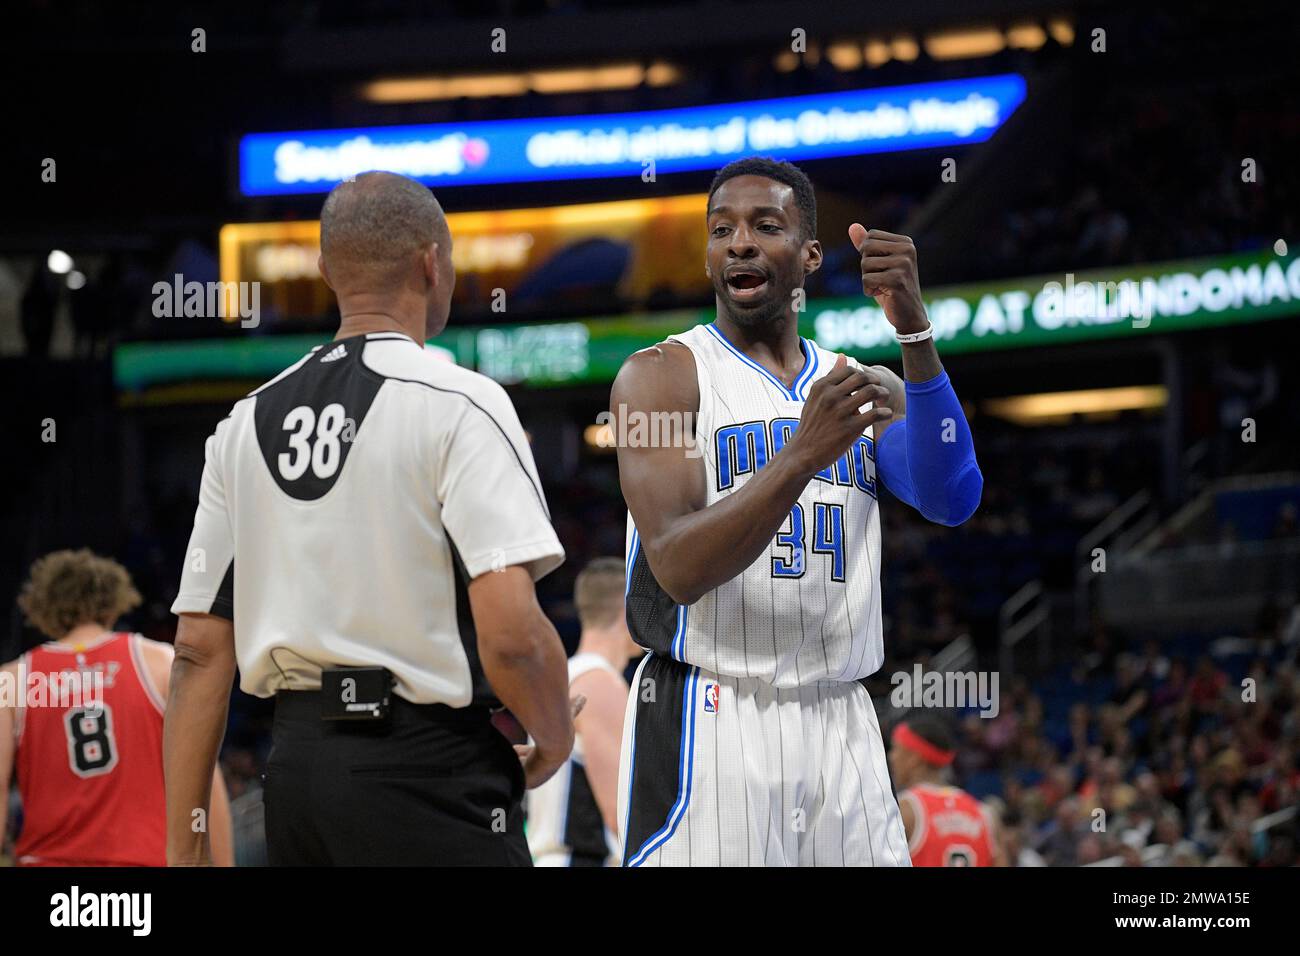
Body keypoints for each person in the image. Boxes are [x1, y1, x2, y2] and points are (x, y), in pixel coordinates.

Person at [164, 171, 574, 866]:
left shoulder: (243, 422)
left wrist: (187, 849)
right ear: (431, 263)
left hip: (295, 775)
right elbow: (513, 635)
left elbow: (199, 652)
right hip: (429, 775)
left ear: (326, 270)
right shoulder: (461, 401)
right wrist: (556, 738)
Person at [611, 156, 982, 866]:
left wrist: (914, 332)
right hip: (710, 715)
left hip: (841, 716)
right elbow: (678, 567)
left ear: (810, 256)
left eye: (765, 226)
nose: (739, 243)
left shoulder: (857, 387)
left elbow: (953, 497)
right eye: (722, 230)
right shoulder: (659, 378)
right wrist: (799, 457)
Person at [0, 549, 232, 866]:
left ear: (42, 607)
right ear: (113, 600)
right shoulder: (159, 662)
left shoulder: (11, 680)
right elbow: (204, 781)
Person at [528, 558, 643, 866]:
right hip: (583, 859)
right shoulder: (599, 684)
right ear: (627, 609)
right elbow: (622, 812)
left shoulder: (563, 675)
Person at [889, 715, 1001, 866]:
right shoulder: (984, 813)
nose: (891, 757)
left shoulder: (906, 809)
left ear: (914, 758)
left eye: (896, 749)